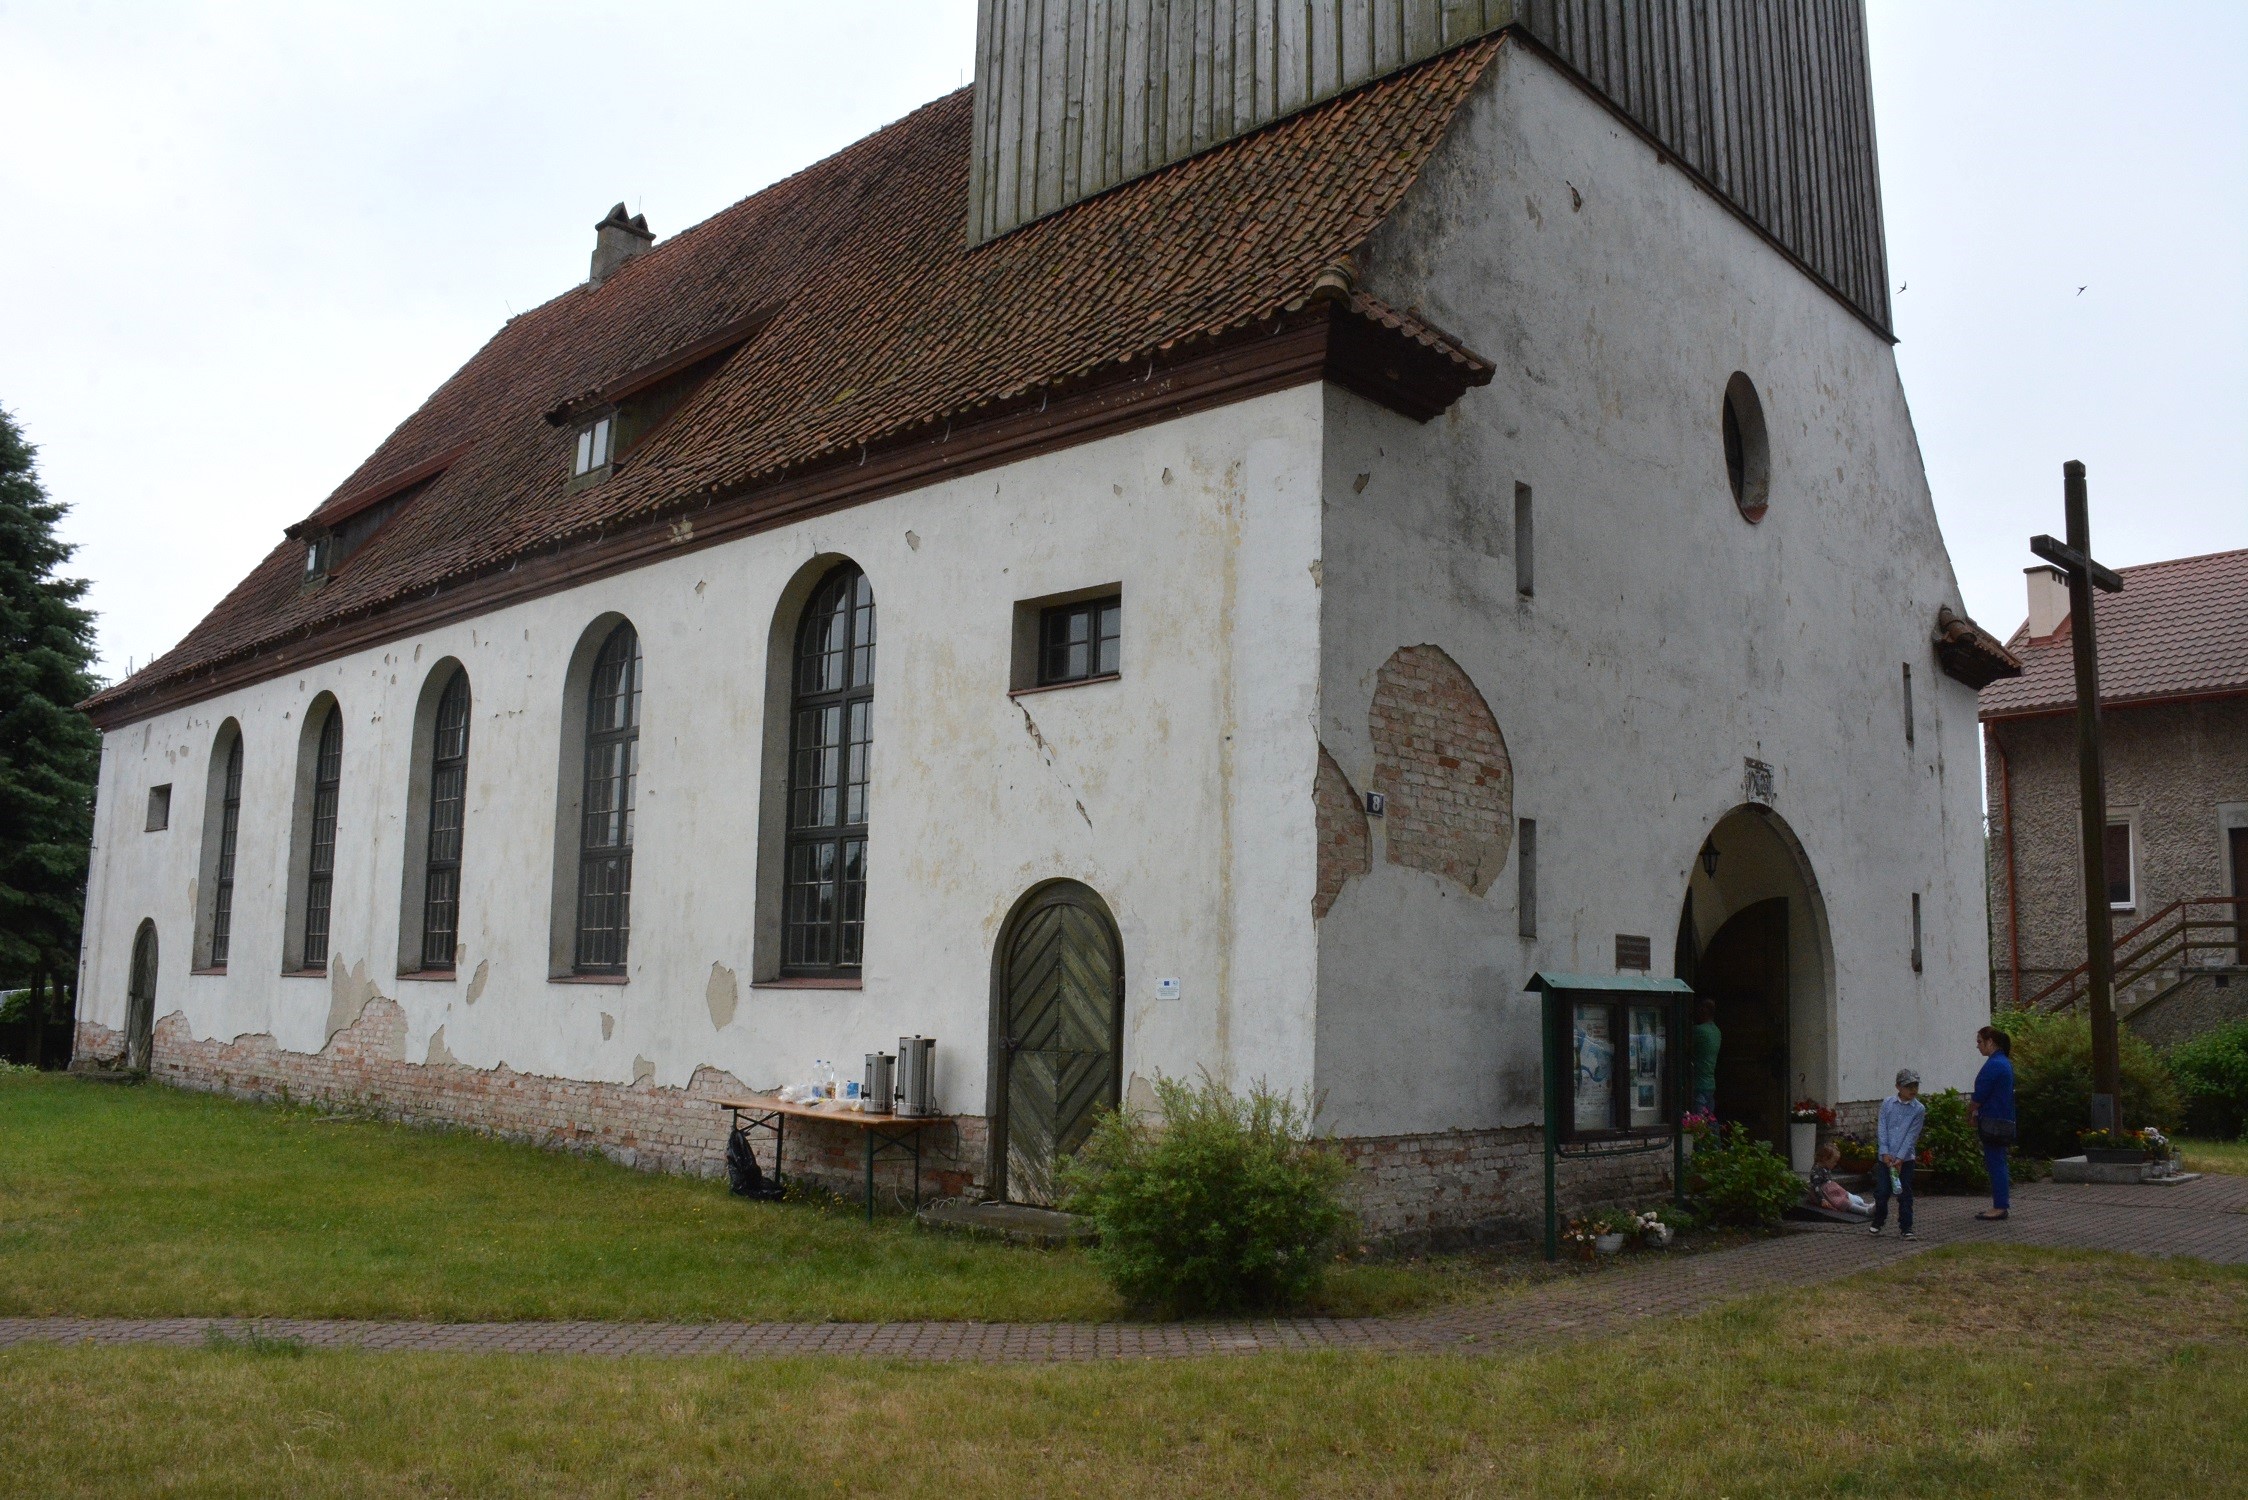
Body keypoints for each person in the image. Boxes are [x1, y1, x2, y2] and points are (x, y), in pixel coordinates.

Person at [1868, 1068, 1925, 1240]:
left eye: (1915, 1086)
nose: (1913, 1090)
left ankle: (1906, 1227)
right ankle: (1879, 1219)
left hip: (1905, 1159)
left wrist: (1900, 1158)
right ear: (1898, 1087)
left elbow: (1911, 1136)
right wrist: (1884, 1152)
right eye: (1908, 1086)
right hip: (1886, 1158)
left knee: (1904, 1193)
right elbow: (1882, 1128)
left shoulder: (1918, 1109)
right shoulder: (1888, 1103)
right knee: (1882, 1191)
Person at [1969, 1025, 2017, 1222]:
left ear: (1990, 1042)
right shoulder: (2004, 1063)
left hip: (1993, 1120)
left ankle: (1999, 1206)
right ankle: (2000, 1204)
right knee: (1999, 1161)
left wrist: (1970, 1112)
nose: (1978, 1046)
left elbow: (1980, 1095)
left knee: (1996, 1162)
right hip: (2003, 1118)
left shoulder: (1994, 1065)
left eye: (1980, 1042)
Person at [1810, 1141, 1871, 1216]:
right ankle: (1865, 1211)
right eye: (1834, 1161)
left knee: (1848, 1196)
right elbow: (1816, 1187)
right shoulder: (1816, 1171)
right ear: (1825, 1159)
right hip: (1826, 1194)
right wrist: (1822, 1199)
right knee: (1843, 1202)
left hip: (1831, 1190)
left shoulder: (1825, 1167)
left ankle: (1866, 1205)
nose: (1835, 1164)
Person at [1691, 999, 1722, 1117]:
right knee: (1709, 1120)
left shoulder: (1699, 1031)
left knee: (1697, 1121)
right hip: (1710, 1084)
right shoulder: (1716, 1031)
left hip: (1699, 1084)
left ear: (1703, 1011)